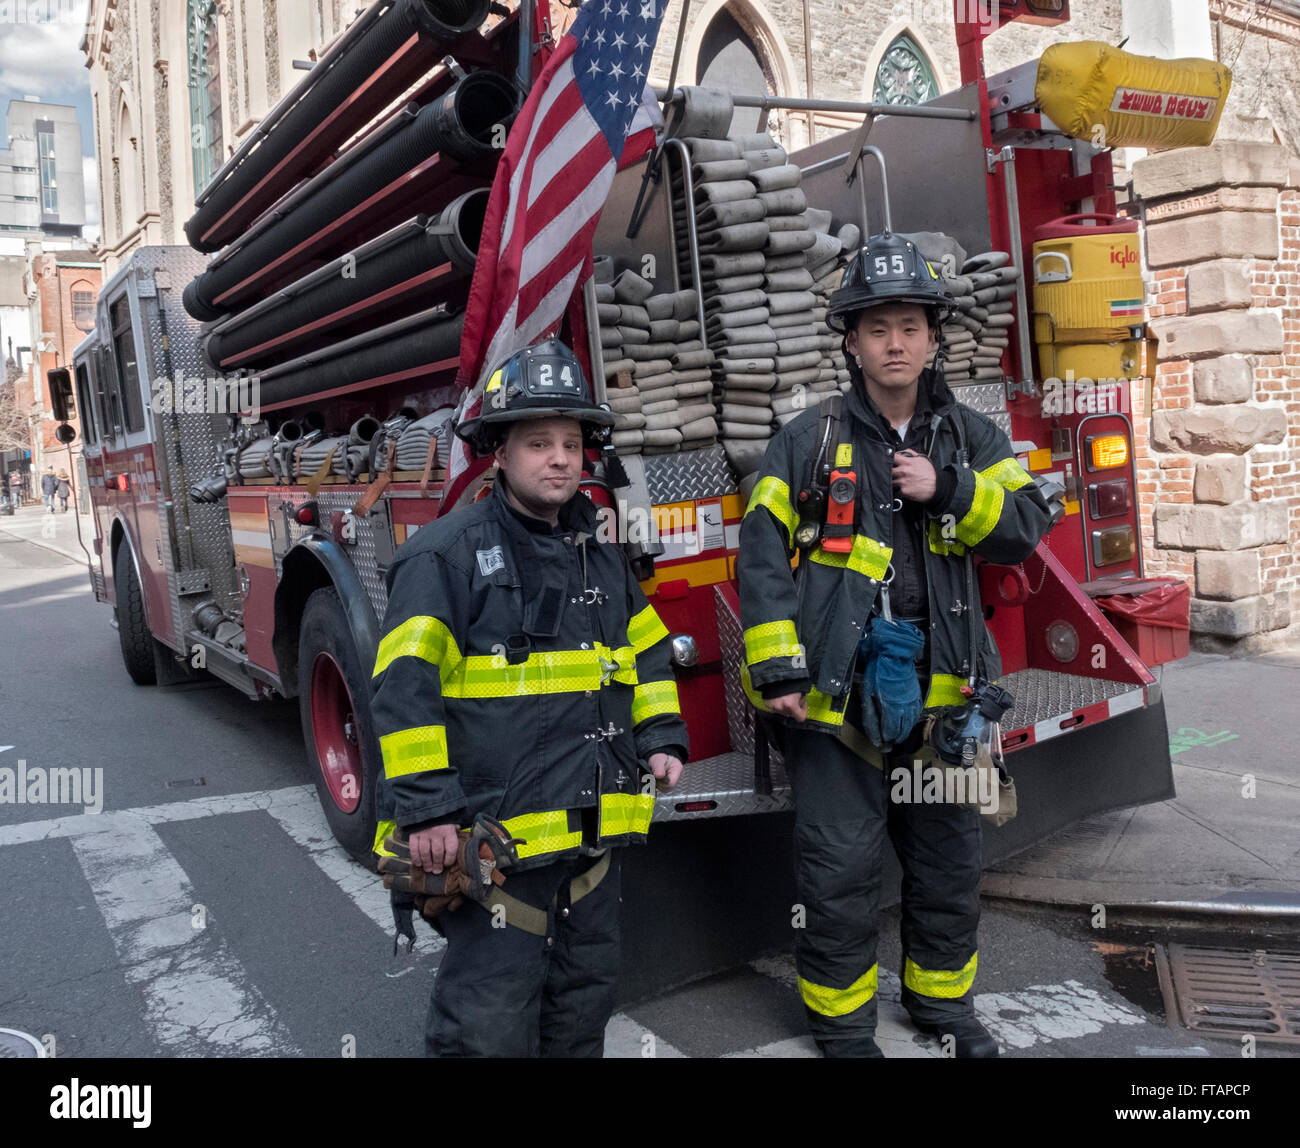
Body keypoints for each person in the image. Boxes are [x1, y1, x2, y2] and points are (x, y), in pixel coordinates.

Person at [736, 232, 1052, 1059]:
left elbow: (1022, 530)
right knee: (838, 878)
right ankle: (842, 1031)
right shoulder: (808, 438)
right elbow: (761, 549)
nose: (896, 343)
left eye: (910, 325)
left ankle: (943, 1010)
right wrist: (776, 668)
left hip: (944, 703)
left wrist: (948, 489)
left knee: (947, 870)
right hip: (839, 705)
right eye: (878, 328)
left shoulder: (971, 438)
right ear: (852, 341)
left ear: (934, 335)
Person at [370, 338, 688, 1058]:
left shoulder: (600, 555)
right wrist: (427, 809)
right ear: (499, 453)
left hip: (591, 844)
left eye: (572, 443)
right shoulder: (445, 556)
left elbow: (646, 652)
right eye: (538, 441)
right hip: (497, 856)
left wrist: (662, 733)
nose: (560, 458)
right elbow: (403, 686)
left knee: (582, 1008)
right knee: (487, 1024)